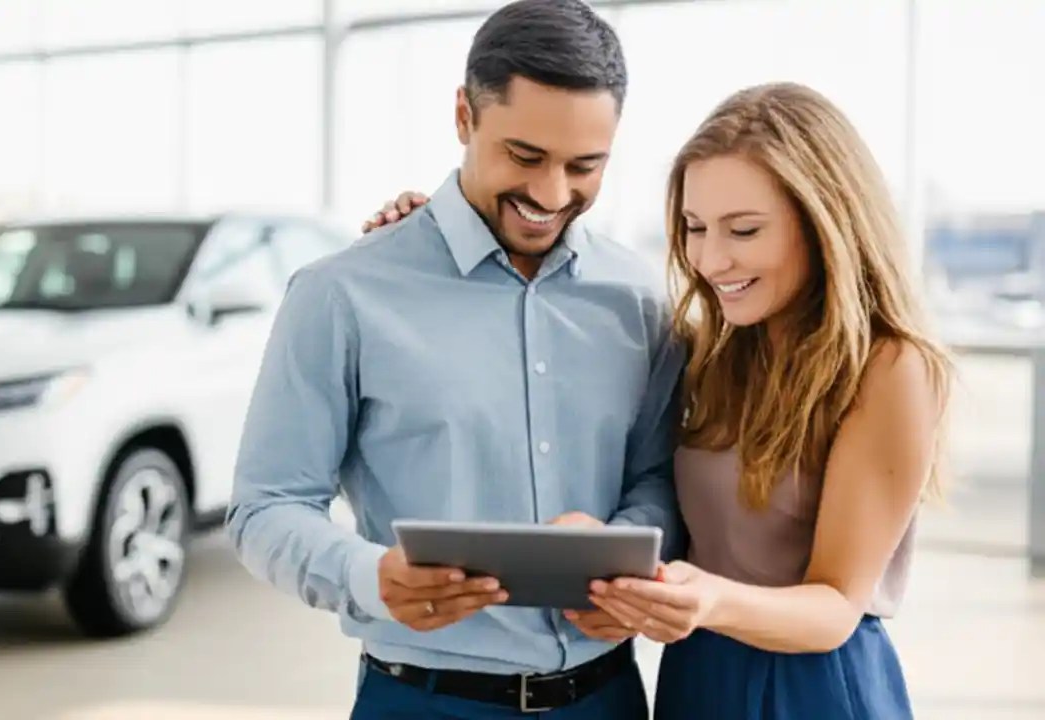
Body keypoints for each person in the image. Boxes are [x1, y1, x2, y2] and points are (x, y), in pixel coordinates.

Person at [363, 81, 952, 719]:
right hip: (699, 672)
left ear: (826, 222)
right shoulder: (717, 351)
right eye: (695, 228)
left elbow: (836, 607)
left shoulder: (890, 369)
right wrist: (435, 234)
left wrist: (707, 600)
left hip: (810, 685)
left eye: (744, 230)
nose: (711, 259)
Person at [227, 1, 683, 717]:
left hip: (610, 698)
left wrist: (623, 552)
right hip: (421, 700)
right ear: (465, 117)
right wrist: (371, 574)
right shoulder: (340, 294)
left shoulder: (640, 299)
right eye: (525, 156)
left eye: (584, 166)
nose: (551, 194)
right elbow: (265, 507)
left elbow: (659, 476)